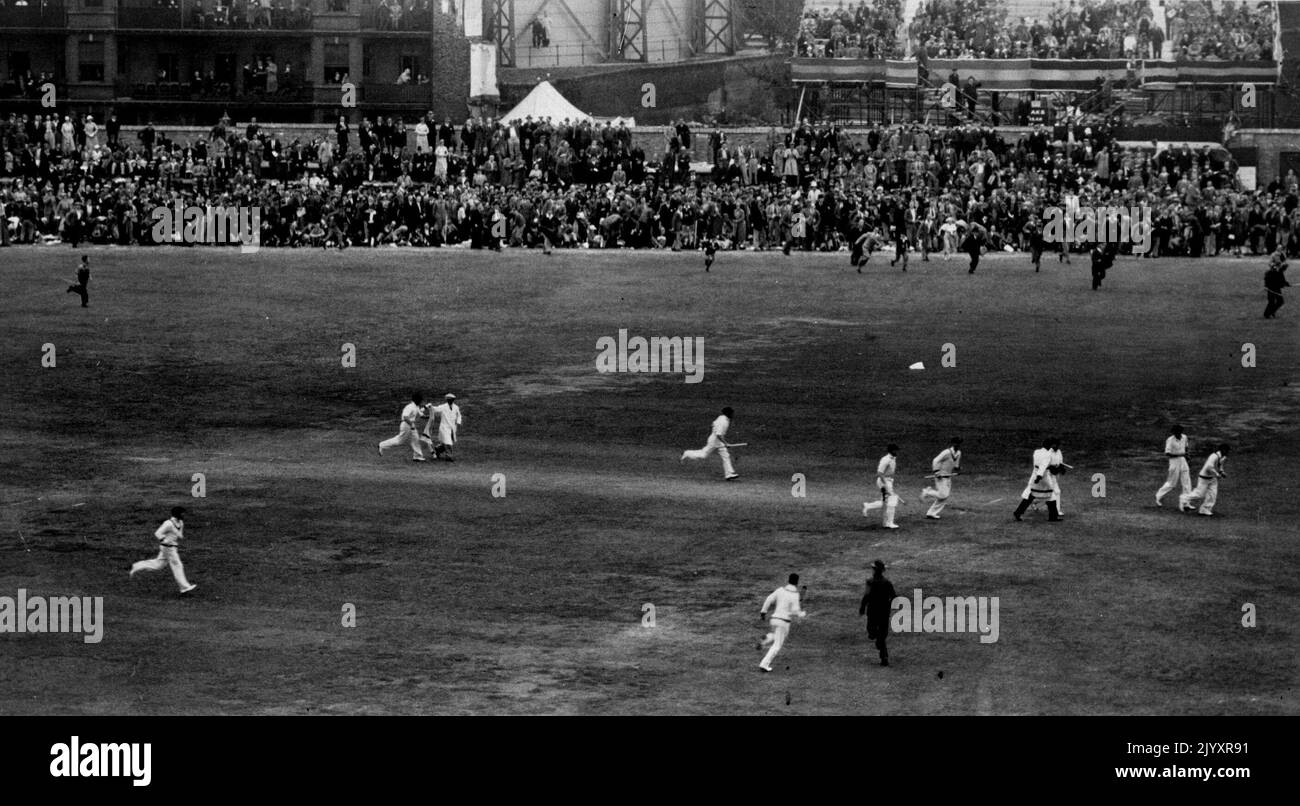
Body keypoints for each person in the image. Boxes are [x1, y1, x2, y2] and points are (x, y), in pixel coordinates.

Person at [130, 506, 198, 595]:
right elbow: (158, 533)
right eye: (182, 513)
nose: (184, 515)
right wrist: (165, 541)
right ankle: (184, 587)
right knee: (177, 565)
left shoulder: (180, 522)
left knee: (159, 565)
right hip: (168, 548)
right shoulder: (168, 523)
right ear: (177, 514)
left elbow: (179, 534)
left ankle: (136, 566)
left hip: (172, 547)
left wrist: (179, 536)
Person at [757, 573, 806, 672]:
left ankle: (766, 639)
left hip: (774, 619)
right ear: (797, 582)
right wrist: (802, 614)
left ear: (788, 580)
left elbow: (769, 599)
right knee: (777, 645)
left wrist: (763, 611)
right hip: (784, 623)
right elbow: (795, 611)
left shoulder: (780, 590)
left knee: (776, 635)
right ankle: (764, 664)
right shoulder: (795, 595)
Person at [681, 406, 739, 480]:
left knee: (726, 456)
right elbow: (718, 434)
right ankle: (687, 453)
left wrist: (724, 443)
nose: (733, 415)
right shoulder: (723, 421)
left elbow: (713, 425)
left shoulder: (722, 418)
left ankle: (729, 474)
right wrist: (725, 443)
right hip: (715, 441)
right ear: (728, 413)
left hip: (717, 440)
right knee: (703, 455)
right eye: (732, 413)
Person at [1013, 438, 1061, 522]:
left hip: (1034, 475)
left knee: (1030, 495)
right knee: (1051, 495)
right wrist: (1040, 476)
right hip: (1043, 477)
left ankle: (1018, 512)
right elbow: (1043, 466)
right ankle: (1053, 517)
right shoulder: (1048, 454)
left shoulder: (1036, 452)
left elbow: (1039, 464)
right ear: (1049, 446)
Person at [858, 560, 896, 666]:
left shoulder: (870, 582)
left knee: (872, 632)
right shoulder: (887, 583)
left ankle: (883, 655)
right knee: (881, 636)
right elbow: (894, 597)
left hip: (873, 612)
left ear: (875, 570)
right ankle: (884, 656)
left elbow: (866, 596)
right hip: (884, 612)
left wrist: (862, 607)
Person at [378, 391, 433, 461]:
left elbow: (421, 415)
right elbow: (405, 417)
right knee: (399, 441)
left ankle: (417, 456)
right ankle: (382, 445)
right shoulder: (410, 407)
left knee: (415, 439)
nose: (421, 402)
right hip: (406, 425)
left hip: (411, 425)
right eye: (421, 400)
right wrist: (411, 425)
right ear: (417, 400)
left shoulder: (416, 407)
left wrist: (429, 417)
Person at [1180, 443, 1229, 516]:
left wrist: (1222, 472)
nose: (1227, 452)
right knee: (1199, 494)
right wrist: (1217, 474)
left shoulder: (1223, 457)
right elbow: (1209, 467)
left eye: (1227, 451)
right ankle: (1183, 498)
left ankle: (1205, 509)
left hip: (1213, 479)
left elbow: (1220, 465)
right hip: (1204, 478)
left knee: (1213, 495)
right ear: (1221, 449)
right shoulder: (1214, 456)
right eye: (1226, 450)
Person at [919, 437, 962, 519]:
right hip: (940, 476)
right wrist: (936, 472)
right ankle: (927, 492)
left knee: (945, 497)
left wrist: (958, 469)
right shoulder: (947, 452)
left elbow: (956, 465)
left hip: (948, 476)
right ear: (952, 443)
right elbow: (935, 460)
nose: (958, 445)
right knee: (943, 495)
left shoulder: (959, 453)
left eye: (959, 443)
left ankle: (931, 513)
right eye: (956, 443)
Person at [863, 443, 900, 529]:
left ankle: (868, 506)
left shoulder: (893, 458)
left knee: (885, 503)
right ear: (891, 451)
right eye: (895, 450)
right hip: (884, 482)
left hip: (889, 481)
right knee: (892, 501)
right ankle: (889, 523)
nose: (897, 452)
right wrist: (886, 485)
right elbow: (879, 473)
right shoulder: (885, 459)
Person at [1154, 424, 1191, 507]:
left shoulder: (1184, 437)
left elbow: (1186, 447)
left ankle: (1186, 503)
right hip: (1174, 461)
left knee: (1187, 482)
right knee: (1172, 483)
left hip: (1183, 460)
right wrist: (1180, 454)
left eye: (1179, 432)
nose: (1178, 434)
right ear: (1173, 432)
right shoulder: (1170, 440)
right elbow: (1167, 453)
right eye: (1176, 432)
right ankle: (1158, 496)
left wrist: (1187, 456)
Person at [424, 393, 462, 461]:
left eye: (452, 400)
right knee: (448, 442)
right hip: (445, 428)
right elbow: (435, 409)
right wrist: (430, 407)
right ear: (447, 400)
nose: (450, 401)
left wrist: (458, 422)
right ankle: (449, 456)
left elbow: (459, 415)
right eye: (449, 400)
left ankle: (438, 449)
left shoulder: (456, 407)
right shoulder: (443, 407)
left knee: (449, 441)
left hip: (453, 428)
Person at [1264, 249, 1289, 318]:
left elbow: (1281, 276)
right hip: (1271, 287)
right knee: (1272, 301)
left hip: (1276, 287)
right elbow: (1268, 277)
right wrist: (1266, 286)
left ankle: (1271, 312)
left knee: (1280, 301)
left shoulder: (1280, 269)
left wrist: (1285, 283)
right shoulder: (1273, 269)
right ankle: (1267, 314)